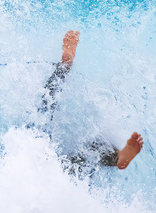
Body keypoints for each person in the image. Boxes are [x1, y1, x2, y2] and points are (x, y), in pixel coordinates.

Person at [38, 30, 143, 172]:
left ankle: (65, 66)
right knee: (43, 115)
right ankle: (117, 158)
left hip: (41, 169)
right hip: (45, 170)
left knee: (42, 118)